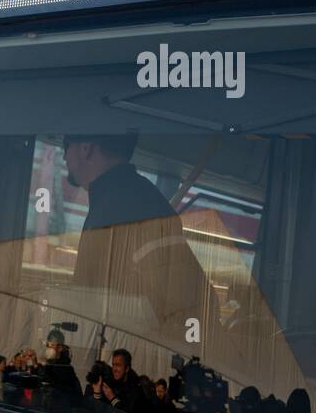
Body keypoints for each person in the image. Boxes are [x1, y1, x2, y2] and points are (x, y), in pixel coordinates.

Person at [63, 133, 208, 347]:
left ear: (86, 148)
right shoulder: (132, 196)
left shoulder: (122, 205)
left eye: (66, 146)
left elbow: (166, 296)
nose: (64, 157)